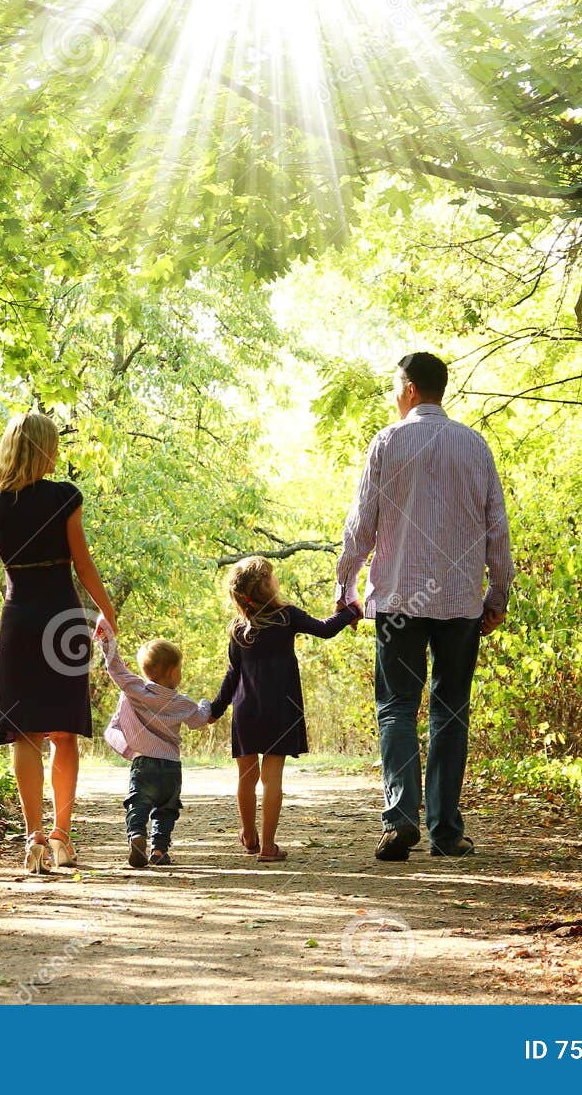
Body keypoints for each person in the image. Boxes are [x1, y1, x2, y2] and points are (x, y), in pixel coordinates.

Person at [336, 352, 515, 862]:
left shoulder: (387, 443)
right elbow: (496, 527)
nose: (394, 395)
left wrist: (346, 586)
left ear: (410, 389)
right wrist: (497, 595)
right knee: (450, 712)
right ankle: (446, 831)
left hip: (398, 601)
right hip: (460, 604)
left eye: (396, 386)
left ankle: (400, 822)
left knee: (396, 707)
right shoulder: (474, 445)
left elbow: (361, 524)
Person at [0, 413, 119, 874]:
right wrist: (107, 611)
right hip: (62, 619)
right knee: (63, 731)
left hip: (18, 621)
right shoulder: (64, 497)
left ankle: (33, 836)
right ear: (42, 449)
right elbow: (83, 563)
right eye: (53, 445)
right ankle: (61, 835)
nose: (57, 452)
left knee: (26, 732)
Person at [209, 556, 360, 863]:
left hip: (246, 710)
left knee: (246, 776)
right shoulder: (286, 616)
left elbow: (233, 673)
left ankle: (248, 835)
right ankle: (268, 846)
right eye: (272, 576)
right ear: (266, 585)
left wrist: (217, 708)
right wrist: (351, 612)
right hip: (280, 709)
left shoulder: (238, 628)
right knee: (272, 777)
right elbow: (325, 629)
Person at [94, 623, 215, 868]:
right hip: (170, 767)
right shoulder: (183, 703)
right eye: (180, 669)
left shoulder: (136, 691)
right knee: (167, 809)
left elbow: (116, 669)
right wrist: (205, 703)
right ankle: (159, 850)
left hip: (143, 764)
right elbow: (200, 720)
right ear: (173, 672)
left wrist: (107, 642)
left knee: (138, 803)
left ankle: (136, 834)